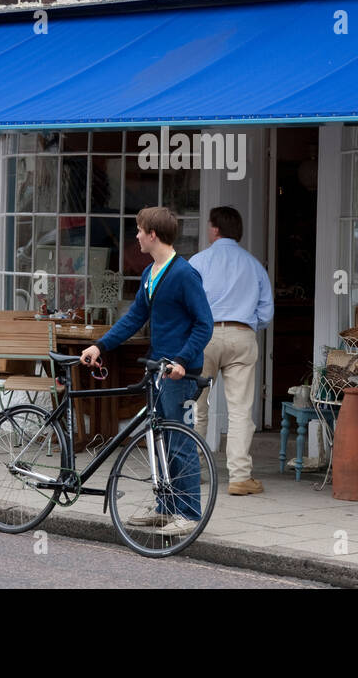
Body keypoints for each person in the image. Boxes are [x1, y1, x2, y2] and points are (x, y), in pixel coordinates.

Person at [81, 206, 213, 534]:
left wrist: (182, 360)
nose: (137, 236)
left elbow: (204, 324)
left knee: (180, 441)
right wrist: (101, 345)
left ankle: (190, 515)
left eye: (140, 230)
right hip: (158, 369)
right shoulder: (150, 273)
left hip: (178, 373)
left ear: (153, 234)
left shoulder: (184, 274)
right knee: (161, 440)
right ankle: (165, 509)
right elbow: (134, 317)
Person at [188, 206, 274, 495]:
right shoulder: (253, 265)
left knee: (197, 404)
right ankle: (239, 477)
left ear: (214, 230)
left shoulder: (198, 262)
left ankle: (192, 469)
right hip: (241, 333)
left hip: (205, 335)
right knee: (239, 410)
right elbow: (265, 312)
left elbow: (185, 303)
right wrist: (247, 325)